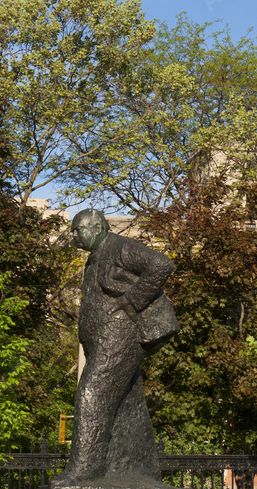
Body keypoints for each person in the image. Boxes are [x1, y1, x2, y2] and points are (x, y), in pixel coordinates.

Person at [52, 209, 179, 488]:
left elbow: (161, 264)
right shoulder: (94, 256)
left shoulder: (119, 246)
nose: (73, 235)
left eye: (78, 229)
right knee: (127, 403)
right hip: (104, 339)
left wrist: (133, 301)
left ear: (96, 227)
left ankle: (83, 471)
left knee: (92, 392)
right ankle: (139, 468)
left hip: (122, 333)